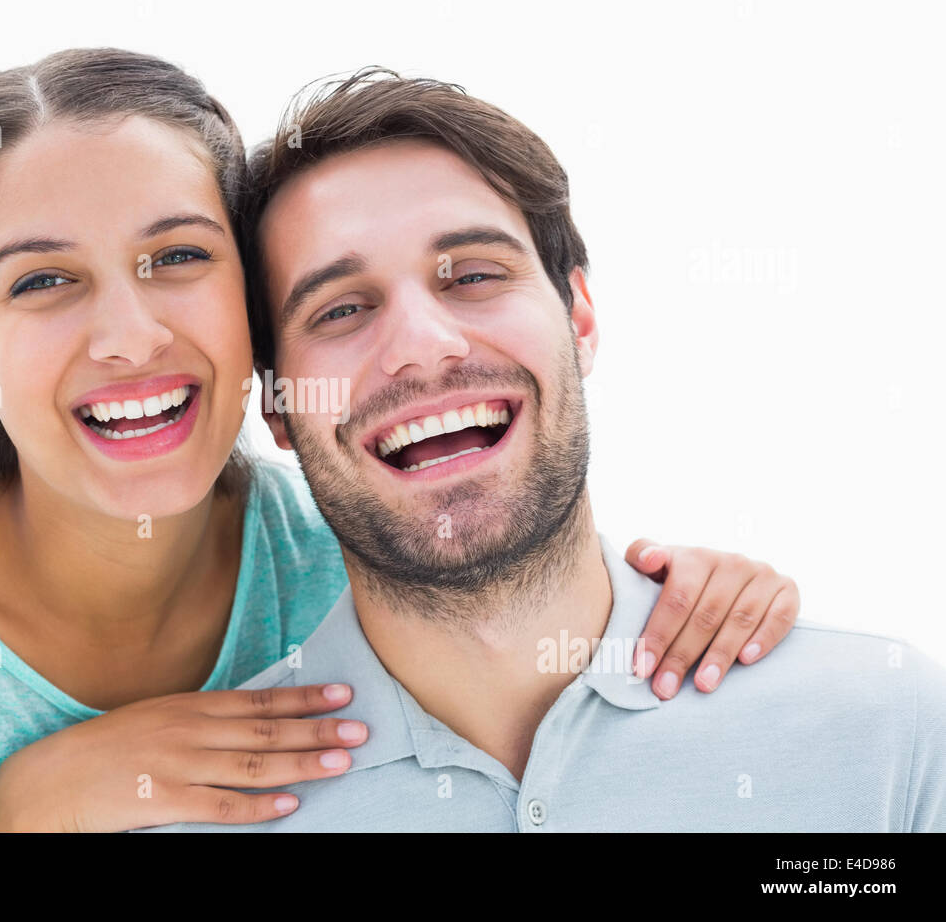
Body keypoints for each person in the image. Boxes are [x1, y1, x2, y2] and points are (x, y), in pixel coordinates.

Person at [0, 49, 801, 834]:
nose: (129, 336)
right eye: (43, 281)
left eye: (177, 256)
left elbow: (511, 587)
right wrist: (32, 807)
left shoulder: (329, 549)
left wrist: (668, 599)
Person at [142, 68, 946, 832]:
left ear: (580, 318)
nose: (422, 346)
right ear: (277, 406)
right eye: (341, 309)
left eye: (474, 276)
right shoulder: (187, 816)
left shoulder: (885, 733)